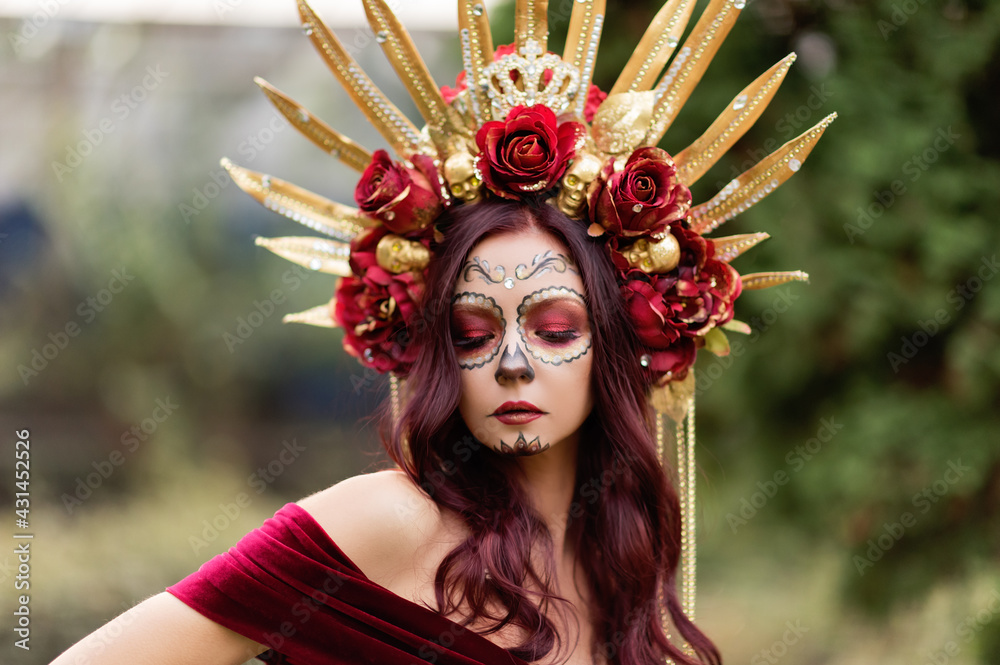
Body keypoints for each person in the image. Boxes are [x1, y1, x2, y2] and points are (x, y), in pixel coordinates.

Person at [52, 0, 834, 661]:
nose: (515, 364)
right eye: (471, 332)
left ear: (623, 340)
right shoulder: (388, 523)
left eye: (557, 326)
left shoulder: (618, 569)